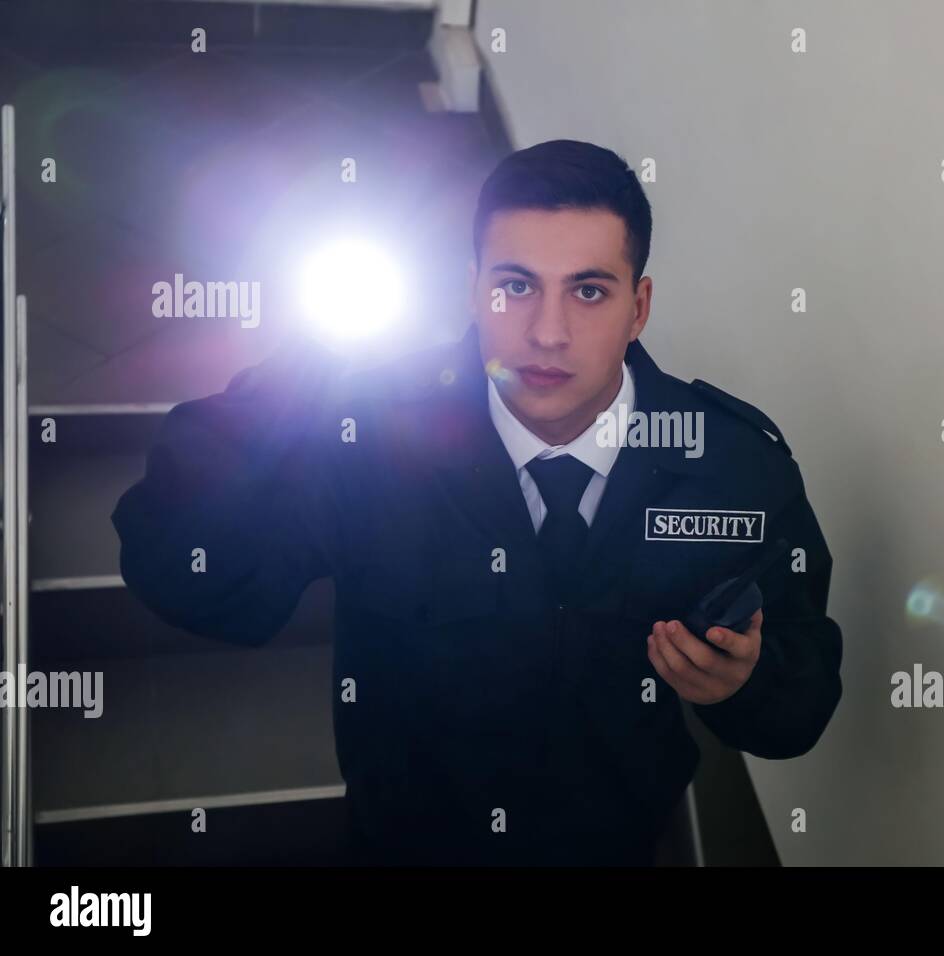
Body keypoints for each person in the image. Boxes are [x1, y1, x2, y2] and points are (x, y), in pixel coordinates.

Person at [112, 139, 843, 866]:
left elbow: (801, 700)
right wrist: (271, 401)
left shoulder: (728, 462)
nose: (547, 333)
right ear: (472, 290)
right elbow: (197, 583)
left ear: (638, 306)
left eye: (588, 291)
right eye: (515, 286)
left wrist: (749, 681)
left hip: (613, 849)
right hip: (405, 845)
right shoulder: (366, 434)